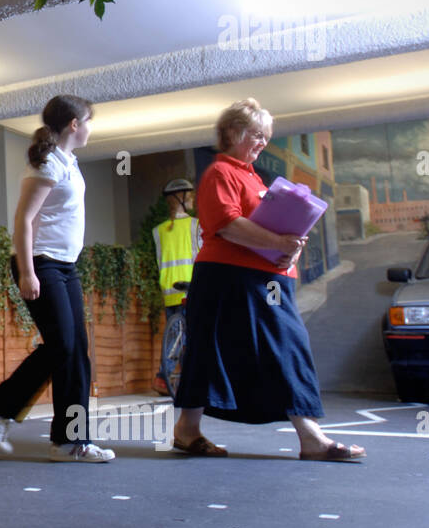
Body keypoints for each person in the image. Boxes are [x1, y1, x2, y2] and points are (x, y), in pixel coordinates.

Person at [172, 98, 365, 461]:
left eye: (266, 137)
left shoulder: (253, 177)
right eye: (256, 135)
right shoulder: (220, 173)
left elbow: (266, 228)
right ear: (232, 132)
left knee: (271, 348)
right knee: (226, 350)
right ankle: (308, 437)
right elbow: (227, 225)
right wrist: (279, 242)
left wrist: (291, 247)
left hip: (267, 278)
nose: (262, 143)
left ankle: (190, 430)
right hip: (227, 277)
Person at [0, 95, 115, 462]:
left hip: (65, 266)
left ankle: (57, 435)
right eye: (88, 121)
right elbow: (23, 218)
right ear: (74, 124)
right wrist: (26, 270)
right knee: (64, 348)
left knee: (73, 352)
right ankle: (59, 437)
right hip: (42, 263)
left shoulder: (69, 161)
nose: (89, 128)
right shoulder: (49, 163)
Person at [152, 179, 203, 395]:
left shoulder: (159, 231)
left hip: (168, 289)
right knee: (194, 335)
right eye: (189, 196)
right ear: (181, 199)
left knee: (176, 335)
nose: (192, 199)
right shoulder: (196, 225)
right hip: (192, 288)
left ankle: (179, 378)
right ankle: (164, 376)